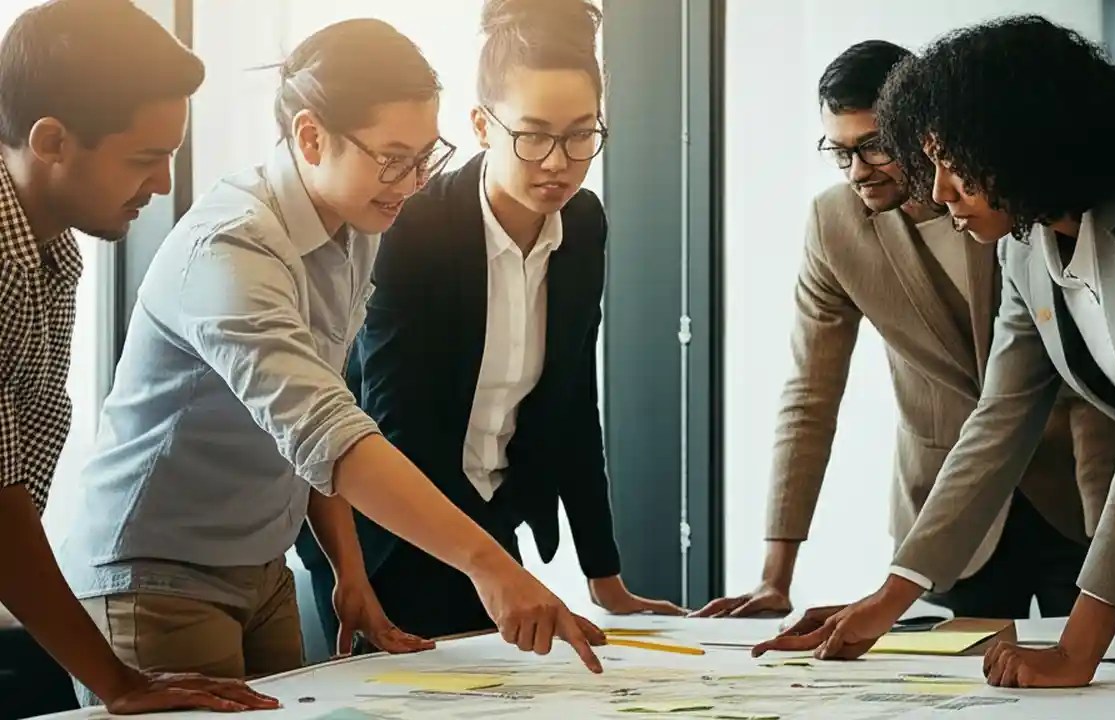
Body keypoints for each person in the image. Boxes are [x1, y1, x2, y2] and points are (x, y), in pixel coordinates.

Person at [53, 18, 605, 707]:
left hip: (261, 570)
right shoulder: (234, 248)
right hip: (154, 580)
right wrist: (491, 568)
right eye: (393, 158)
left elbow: (327, 407)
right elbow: (327, 432)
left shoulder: (355, 222)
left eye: (424, 156)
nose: (412, 181)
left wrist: (351, 569)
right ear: (312, 137)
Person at [753, 14, 1115, 690]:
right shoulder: (1025, 246)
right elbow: (999, 418)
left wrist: (1077, 649)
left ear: (1016, 140)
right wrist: (888, 601)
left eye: (950, 163)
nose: (939, 192)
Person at [691, 41, 1115, 623]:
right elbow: (809, 398)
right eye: (838, 152)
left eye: (873, 146)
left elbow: (1085, 375)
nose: (857, 172)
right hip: (946, 516)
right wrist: (776, 576)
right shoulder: (833, 225)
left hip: (1070, 490)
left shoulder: (1005, 196)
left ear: (925, 130)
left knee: (1104, 688)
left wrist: (1110, 531)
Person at [296, 0, 684, 646]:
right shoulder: (417, 226)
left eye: (581, 133)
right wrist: (491, 566)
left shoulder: (583, 227)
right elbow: (398, 426)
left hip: (490, 526)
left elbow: (572, 401)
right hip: (386, 542)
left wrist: (604, 573)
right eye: (532, 135)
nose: (558, 161)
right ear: (481, 124)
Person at [0, 0, 277, 714]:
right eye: (144, 159)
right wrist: (118, 679)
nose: (159, 187)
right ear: (52, 139)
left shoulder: (52, 246)